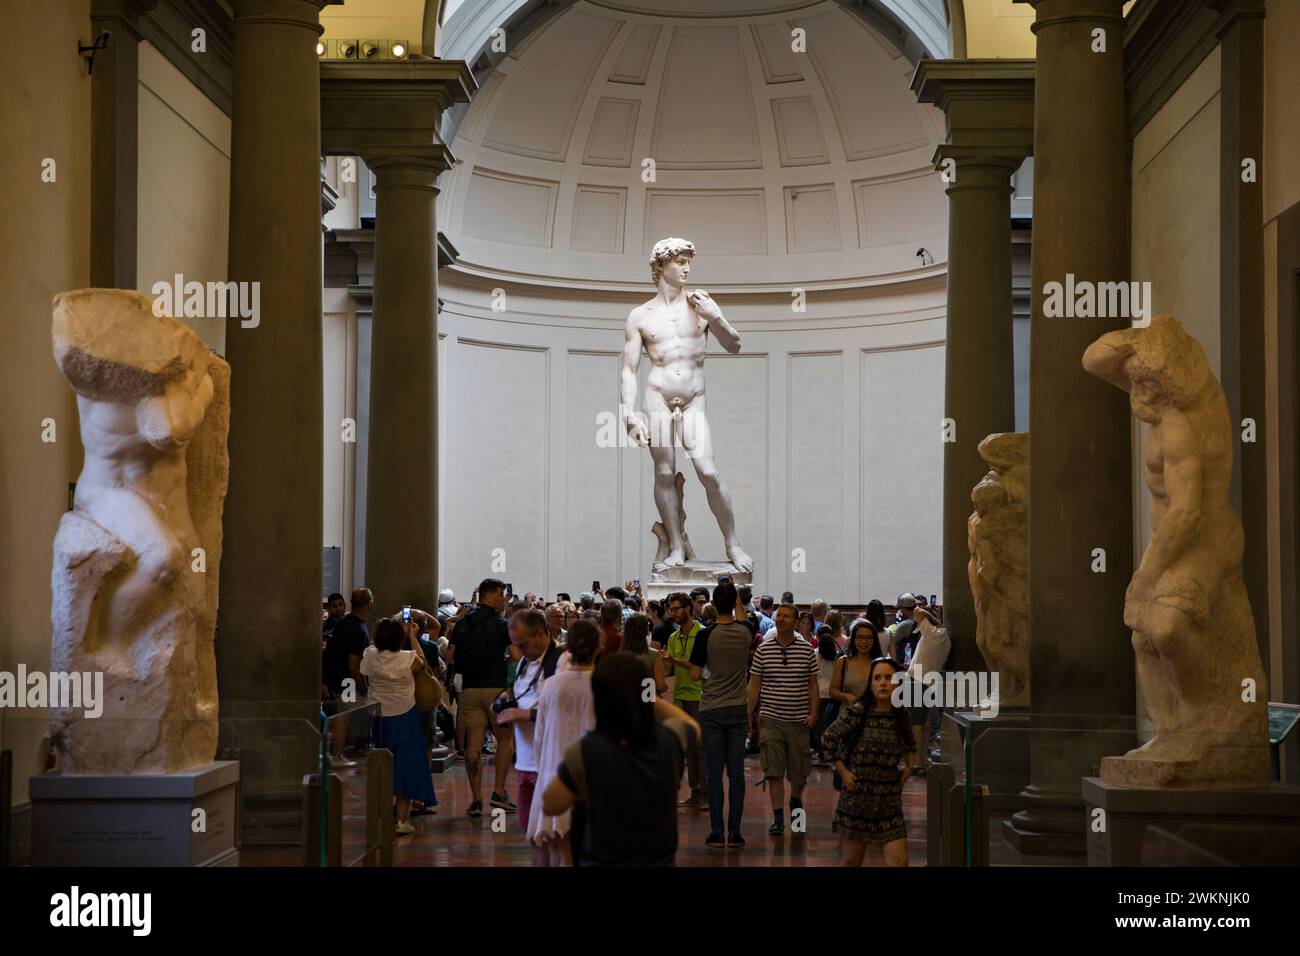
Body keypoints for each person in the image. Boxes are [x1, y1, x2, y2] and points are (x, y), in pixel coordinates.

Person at [540, 654, 702, 866]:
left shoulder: (587, 751)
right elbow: (692, 727)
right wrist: (644, 699)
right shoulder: (668, 742)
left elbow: (551, 805)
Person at [823, 657, 916, 866]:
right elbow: (828, 739)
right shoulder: (859, 712)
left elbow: (910, 743)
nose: (883, 683)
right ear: (871, 684)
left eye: (888, 678)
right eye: (877, 678)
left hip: (888, 801)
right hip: (857, 799)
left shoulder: (901, 715)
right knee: (852, 861)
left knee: (900, 861)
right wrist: (844, 772)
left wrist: (909, 767)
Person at [528, 619, 600, 865]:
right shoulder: (603, 683)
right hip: (593, 773)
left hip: (554, 770)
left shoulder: (551, 685)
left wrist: (541, 769)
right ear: (597, 647)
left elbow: (540, 735)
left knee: (560, 852)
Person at [688, 579, 752, 849]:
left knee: (714, 771)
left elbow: (694, 674)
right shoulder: (746, 630)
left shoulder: (705, 635)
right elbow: (743, 617)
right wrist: (736, 597)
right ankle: (735, 832)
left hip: (711, 707)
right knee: (736, 771)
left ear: (713, 603)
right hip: (738, 707)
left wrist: (709, 673)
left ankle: (716, 832)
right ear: (735, 602)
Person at [447, 578, 519, 817]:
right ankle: (498, 792)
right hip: (496, 689)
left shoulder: (461, 624)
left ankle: (476, 800)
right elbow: (516, 656)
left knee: (473, 747)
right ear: (490, 595)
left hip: (469, 690)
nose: (504, 599)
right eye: (501, 594)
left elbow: (450, 656)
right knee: (505, 740)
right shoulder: (502, 624)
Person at [495, 609, 562, 856]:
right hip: (525, 760)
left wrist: (524, 715)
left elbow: (564, 710)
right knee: (531, 832)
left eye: (523, 644)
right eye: (515, 644)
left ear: (541, 633)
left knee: (554, 835)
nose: (519, 650)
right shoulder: (525, 660)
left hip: (549, 763)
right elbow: (523, 693)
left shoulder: (561, 660)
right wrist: (506, 699)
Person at [361, 616, 437, 834]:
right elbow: (424, 666)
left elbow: (365, 666)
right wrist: (412, 636)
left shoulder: (370, 655)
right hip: (405, 717)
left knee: (383, 767)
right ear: (399, 638)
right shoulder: (408, 658)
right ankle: (402, 820)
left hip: (379, 718)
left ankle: (382, 816)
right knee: (406, 768)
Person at [748, 603, 819, 835]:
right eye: (779, 615)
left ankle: (796, 804)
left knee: (799, 773)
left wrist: (814, 713)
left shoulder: (806, 650)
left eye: (787, 616)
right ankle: (778, 818)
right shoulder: (764, 650)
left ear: (796, 622)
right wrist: (748, 713)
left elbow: (813, 684)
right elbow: (754, 684)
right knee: (773, 771)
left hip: (799, 720)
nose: (781, 619)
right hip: (771, 718)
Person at [661, 591, 706, 808]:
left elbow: (701, 668)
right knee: (689, 749)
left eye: (676, 609)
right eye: (671, 610)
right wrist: (661, 662)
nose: (673, 613)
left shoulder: (703, 634)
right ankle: (695, 792)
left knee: (701, 748)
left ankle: (705, 793)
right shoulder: (673, 637)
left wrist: (675, 660)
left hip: (698, 696)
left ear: (688, 608)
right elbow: (669, 668)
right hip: (679, 696)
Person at [322, 586, 373, 768]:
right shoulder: (359, 629)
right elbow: (354, 664)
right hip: (348, 682)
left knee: (342, 715)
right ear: (369, 604)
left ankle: (338, 753)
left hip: (338, 679)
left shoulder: (343, 624)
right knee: (343, 717)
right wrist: (362, 686)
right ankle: (337, 755)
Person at [903, 606, 951, 774]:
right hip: (929, 683)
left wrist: (933, 619)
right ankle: (923, 760)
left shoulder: (933, 632)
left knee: (916, 724)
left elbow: (917, 610)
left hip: (916, 680)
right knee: (925, 724)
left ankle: (917, 762)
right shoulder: (946, 640)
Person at [620, 612, 667, 698]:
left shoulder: (619, 657)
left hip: (626, 701)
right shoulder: (654, 655)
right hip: (648, 700)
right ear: (646, 631)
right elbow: (661, 686)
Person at [812, 624, 840, 760]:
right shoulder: (838, 655)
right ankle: (830, 753)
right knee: (831, 726)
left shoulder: (814, 653)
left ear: (817, 637)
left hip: (817, 694)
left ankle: (821, 753)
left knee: (818, 727)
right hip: (833, 695)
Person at [889, 593, 921, 665]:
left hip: (906, 662)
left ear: (903, 608)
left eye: (900, 608)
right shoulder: (921, 619)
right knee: (918, 672)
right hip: (919, 660)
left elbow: (891, 642)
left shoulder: (905, 624)